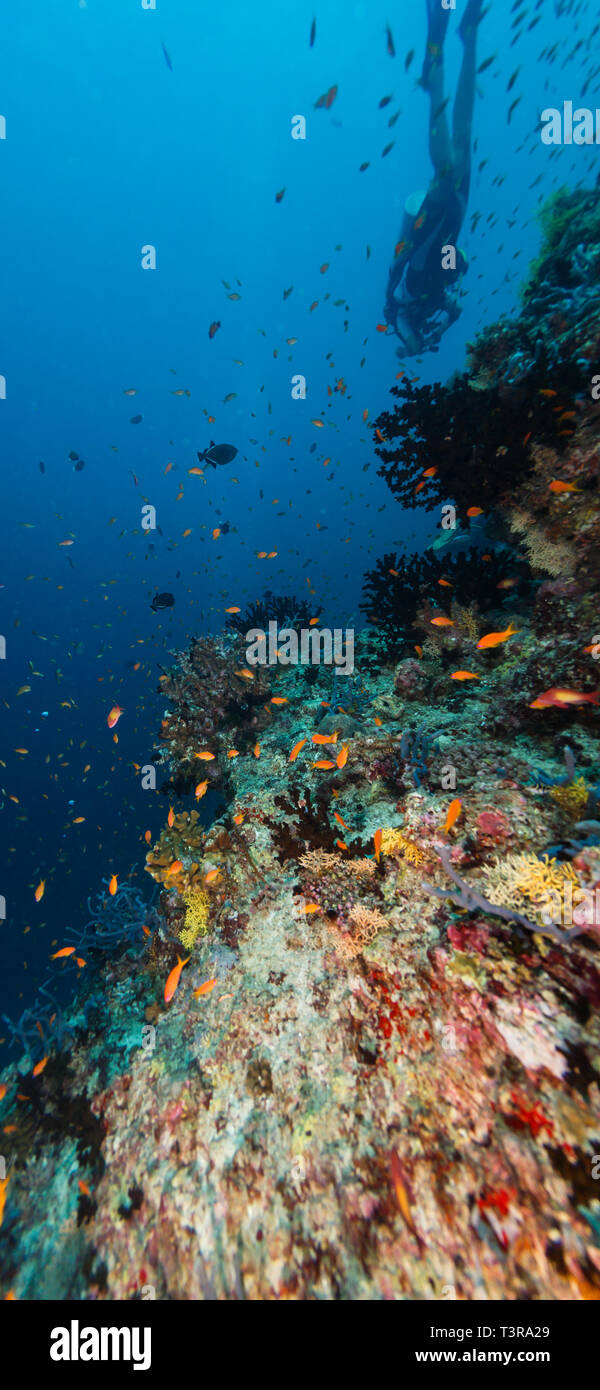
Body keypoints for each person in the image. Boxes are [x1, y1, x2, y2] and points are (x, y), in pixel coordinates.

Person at [383, 0, 484, 356]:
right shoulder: (436, 297)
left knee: (445, 164)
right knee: (462, 138)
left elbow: (406, 333)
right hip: (451, 222)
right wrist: (442, 326)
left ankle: (435, 72)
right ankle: (469, 37)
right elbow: (453, 305)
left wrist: (414, 346)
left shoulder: (398, 308)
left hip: (428, 226)